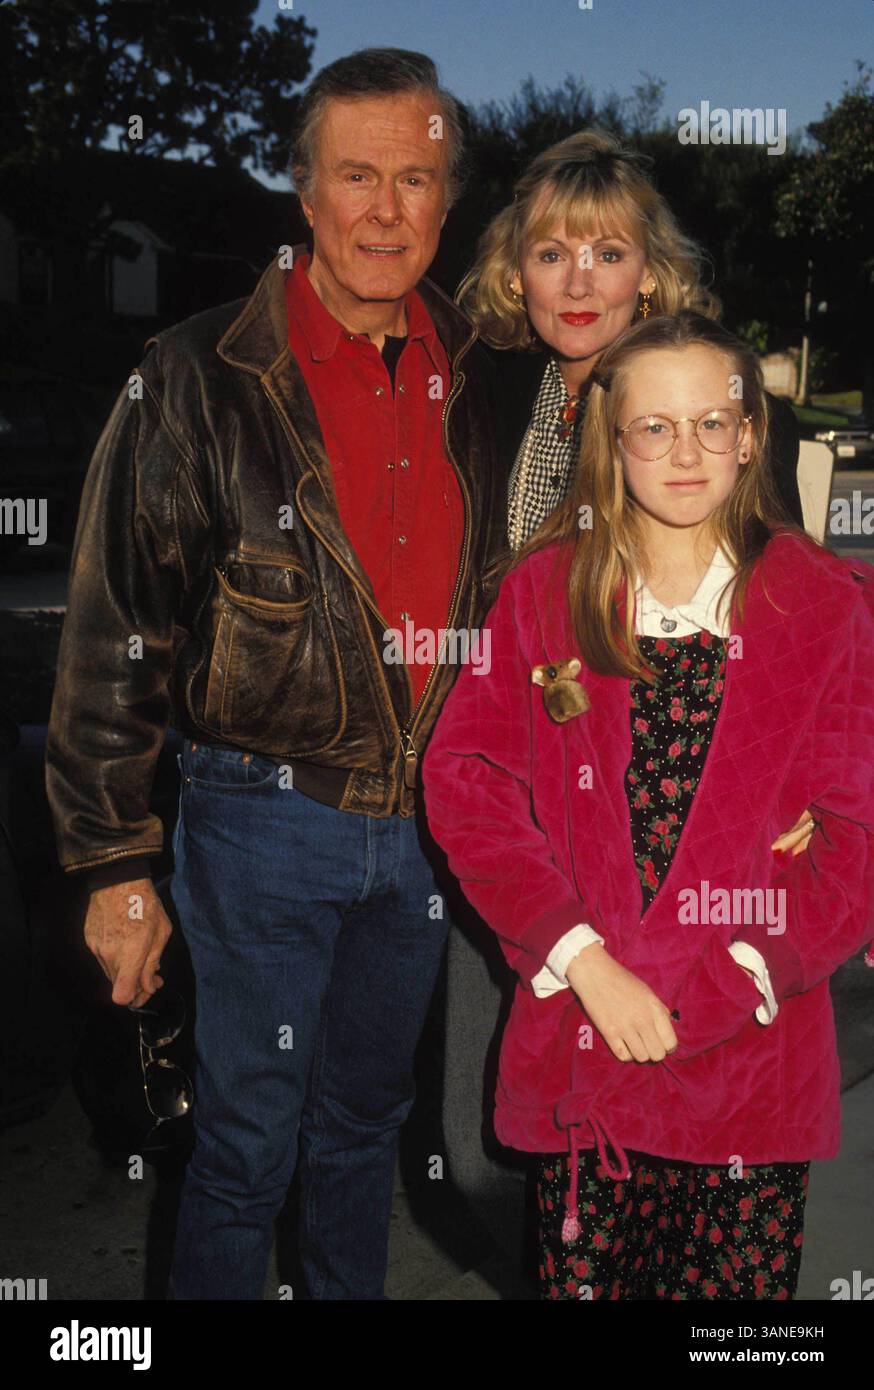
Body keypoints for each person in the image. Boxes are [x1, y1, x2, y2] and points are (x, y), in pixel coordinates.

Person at [45, 47, 505, 1300]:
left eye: (414, 180)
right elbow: (112, 630)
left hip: (423, 831)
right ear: (302, 194)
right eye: (354, 175)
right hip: (260, 817)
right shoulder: (196, 376)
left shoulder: (486, 377)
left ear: (446, 201)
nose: (383, 209)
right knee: (245, 1145)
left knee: (365, 1128)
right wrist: (112, 864)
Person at [423, 311, 874, 1299]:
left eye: (711, 423)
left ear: (750, 434)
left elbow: (857, 834)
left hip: (751, 1052)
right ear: (612, 440)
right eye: (653, 427)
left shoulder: (824, 605)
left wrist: (748, 965)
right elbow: (468, 776)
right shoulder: (550, 596)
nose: (684, 451)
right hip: (594, 1044)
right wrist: (579, 958)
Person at [442, 128, 807, 1264]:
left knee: (674, 1144)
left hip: (665, 825)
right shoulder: (490, 396)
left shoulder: (720, 407)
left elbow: (788, 616)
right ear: (516, 274)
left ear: (650, 269)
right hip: (516, 810)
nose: (580, 279)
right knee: (478, 1142)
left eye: (607, 251)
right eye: (551, 253)